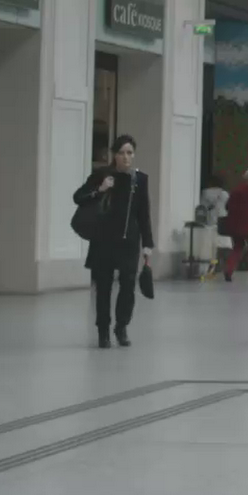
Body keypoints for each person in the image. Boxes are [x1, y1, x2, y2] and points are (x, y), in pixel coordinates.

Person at [72, 135, 153, 348]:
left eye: (130, 153)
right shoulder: (102, 175)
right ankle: (103, 331)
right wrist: (100, 190)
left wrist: (148, 243)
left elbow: (144, 213)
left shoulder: (140, 179)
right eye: (121, 153)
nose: (126, 157)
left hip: (129, 241)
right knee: (104, 288)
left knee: (128, 287)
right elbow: (78, 197)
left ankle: (122, 326)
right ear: (114, 154)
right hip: (104, 240)